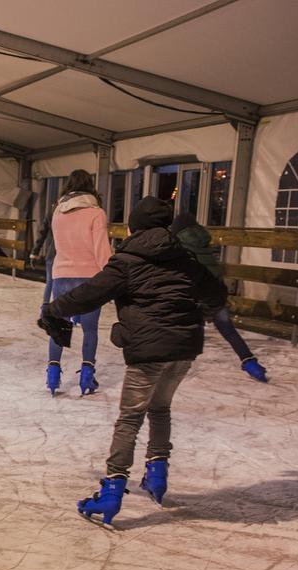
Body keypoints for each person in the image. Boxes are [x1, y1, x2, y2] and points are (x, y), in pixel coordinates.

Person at [39, 197, 228, 526]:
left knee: (130, 418)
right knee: (160, 408)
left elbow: (89, 293)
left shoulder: (126, 261)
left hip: (150, 351)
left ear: (132, 227)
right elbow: (217, 293)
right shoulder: (184, 259)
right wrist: (197, 310)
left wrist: (52, 309)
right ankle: (157, 474)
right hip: (184, 348)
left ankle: (112, 491)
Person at [170, 211, 269, 382]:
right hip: (216, 294)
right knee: (228, 331)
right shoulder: (202, 241)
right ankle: (250, 363)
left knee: (188, 330)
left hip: (198, 297)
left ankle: (176, 367)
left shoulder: (181, 246)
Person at [45, 169, 112, 396]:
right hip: (89, 277)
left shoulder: (58, 212)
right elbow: (102, 249)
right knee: (90, 329)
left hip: (62, 274)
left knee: (59, 326)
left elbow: (58, 245)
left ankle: (52, 374)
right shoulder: (96, 213)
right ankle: (87, 375)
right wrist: (111, 275)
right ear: (91, 187)